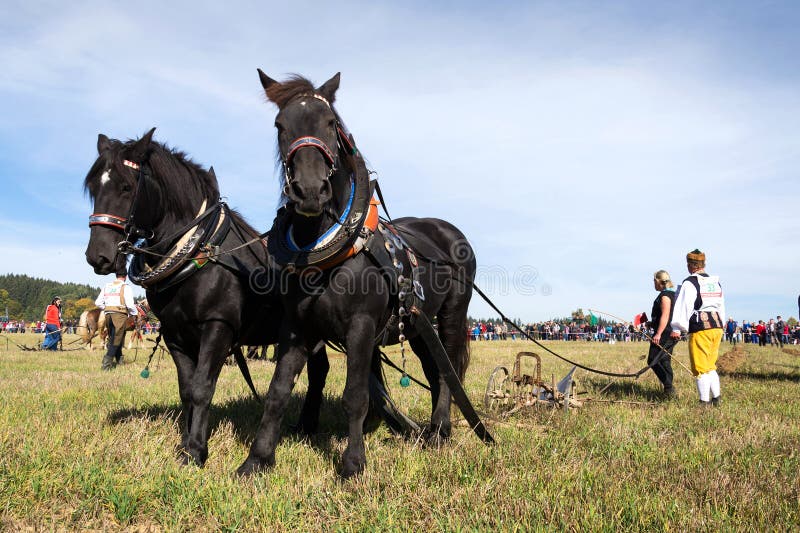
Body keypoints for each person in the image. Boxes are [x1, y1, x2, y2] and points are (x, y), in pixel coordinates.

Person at [671, 249, 725, 406]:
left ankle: (704, 403)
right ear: (703, 264)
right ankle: (717, 398)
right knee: (710, 366)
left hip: (701, 328)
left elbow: (683, 306)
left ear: (690, 266)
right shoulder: (715, 283)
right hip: (717, 327)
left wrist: (677, 327)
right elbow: (721, 306)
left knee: (700, 368)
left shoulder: (690, 282)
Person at [95, 269, 138, 370]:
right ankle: (106, 364)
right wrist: (134, 314)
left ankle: (119, 360)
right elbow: (130, 305)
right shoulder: (125, 287)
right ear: (126, 276)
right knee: (116, 338)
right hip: (120, 315)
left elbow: (98, 302)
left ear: (116, 276)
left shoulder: (107, 286)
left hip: (108, 315)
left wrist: (107, 308)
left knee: (114, 337)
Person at [646, 270, 677, 398]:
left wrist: (658, 333)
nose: (653, 284)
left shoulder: (664, 296)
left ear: (659, 281)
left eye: (654, 281)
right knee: (664, 361)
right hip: (670, 331)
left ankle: (669, 387)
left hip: (664, 333)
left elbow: (665, 315)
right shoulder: (673, 294)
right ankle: (668, 391)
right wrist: (652, 323)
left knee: (652, 360)